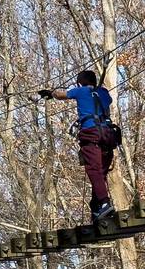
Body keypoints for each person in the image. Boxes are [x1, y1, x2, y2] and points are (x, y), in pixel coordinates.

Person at [38, 70, 119, 221]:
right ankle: (97, 207)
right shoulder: (103, 92)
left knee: (94, 170)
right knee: (100, 172)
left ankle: (104, 203)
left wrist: (51, 93)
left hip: (91, 135)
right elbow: (105, 105)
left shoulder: (81, 91)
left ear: (80, 82)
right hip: (107, 136)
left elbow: (62, 95)